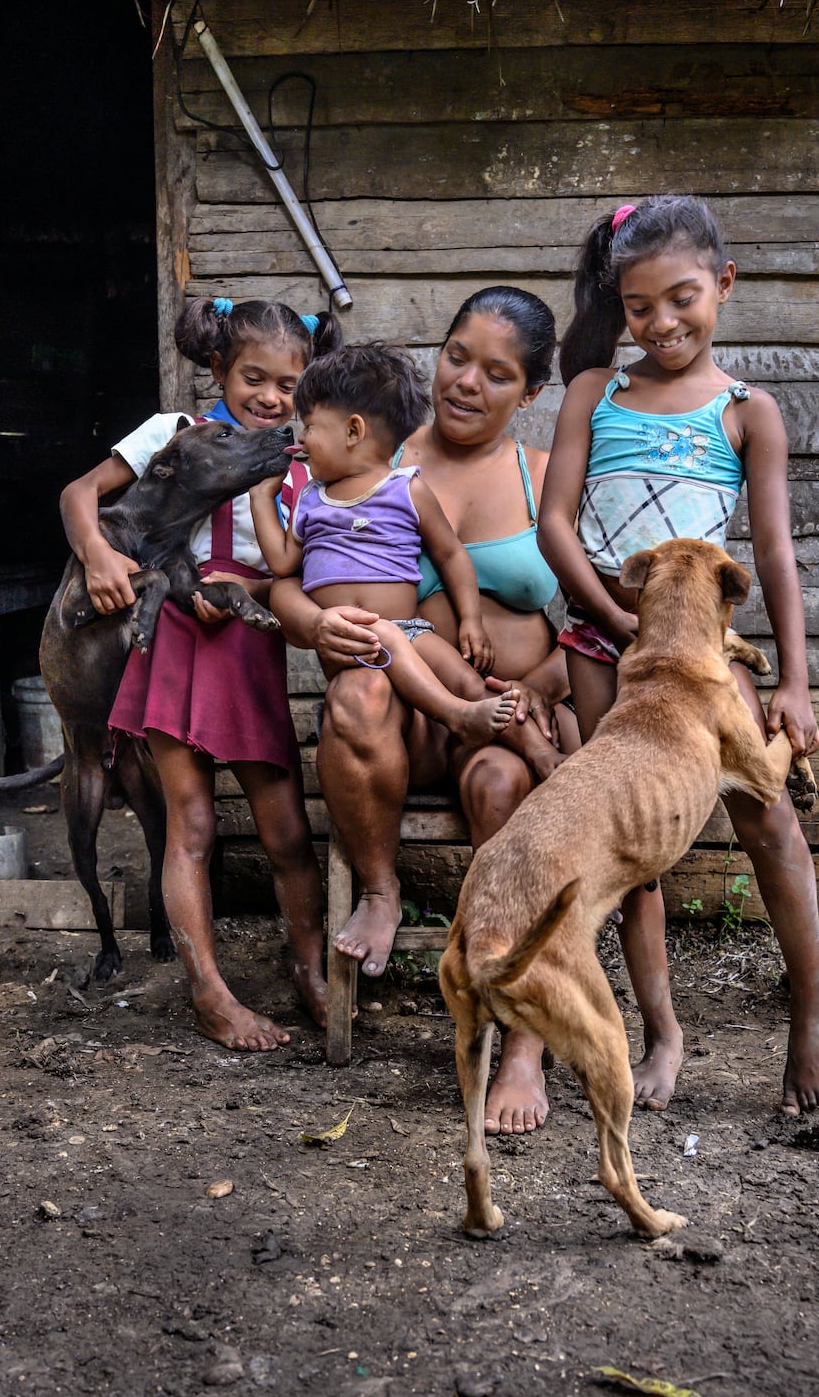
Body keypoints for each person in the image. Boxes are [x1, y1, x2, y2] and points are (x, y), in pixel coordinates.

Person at [538, 195, 819, 1116]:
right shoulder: (595, 393)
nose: (662, 323)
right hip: (602, 644)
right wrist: (619, 621)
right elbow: (555, 526)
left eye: (682, 299)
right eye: (639, 307)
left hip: (706, 658)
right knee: (634, 842)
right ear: (619, 305)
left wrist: (794, 680)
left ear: (724, 285)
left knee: (768, 819)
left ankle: (812, 1007)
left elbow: (774, 552)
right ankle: (661, 1033)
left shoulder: (747, 413)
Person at [270, 287, 578, 1133]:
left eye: (497, 373)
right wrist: (312, 624)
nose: (467, 381)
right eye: (456, 356)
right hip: (403, 715)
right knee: (357, 689)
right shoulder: (361, 445)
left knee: (501, 784)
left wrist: (541, 685)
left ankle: (523, 1042)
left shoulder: (547, 475)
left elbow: (593, 622)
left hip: (501, 716)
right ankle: (380, 890)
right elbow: (286, 579)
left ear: (532, 391)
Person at [59, 296, 341, 1051]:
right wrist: (99, 556)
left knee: (287, 831)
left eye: (288, 385)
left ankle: (309, 968)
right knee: (192, 825)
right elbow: (78, 495)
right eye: (254, 378)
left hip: (247, 644)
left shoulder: (296, 464)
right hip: (174, 640)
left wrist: (248, 591)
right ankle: (209, 993)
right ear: (218, 368)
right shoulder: (172, 432)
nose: (270, 397)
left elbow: (299, 570)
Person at [251, 341, 538, 748]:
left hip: (412, 630)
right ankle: (455, 716)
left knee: (470, 684)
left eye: (310, 426)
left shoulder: (406, 489)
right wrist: (262, 498)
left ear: (353, 431)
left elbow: (450, 553)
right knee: (384, 637)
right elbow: (283, 564)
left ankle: (541, 753)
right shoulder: (311, 498)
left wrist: (470, 619)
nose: (303, 438)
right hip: (350, 641)